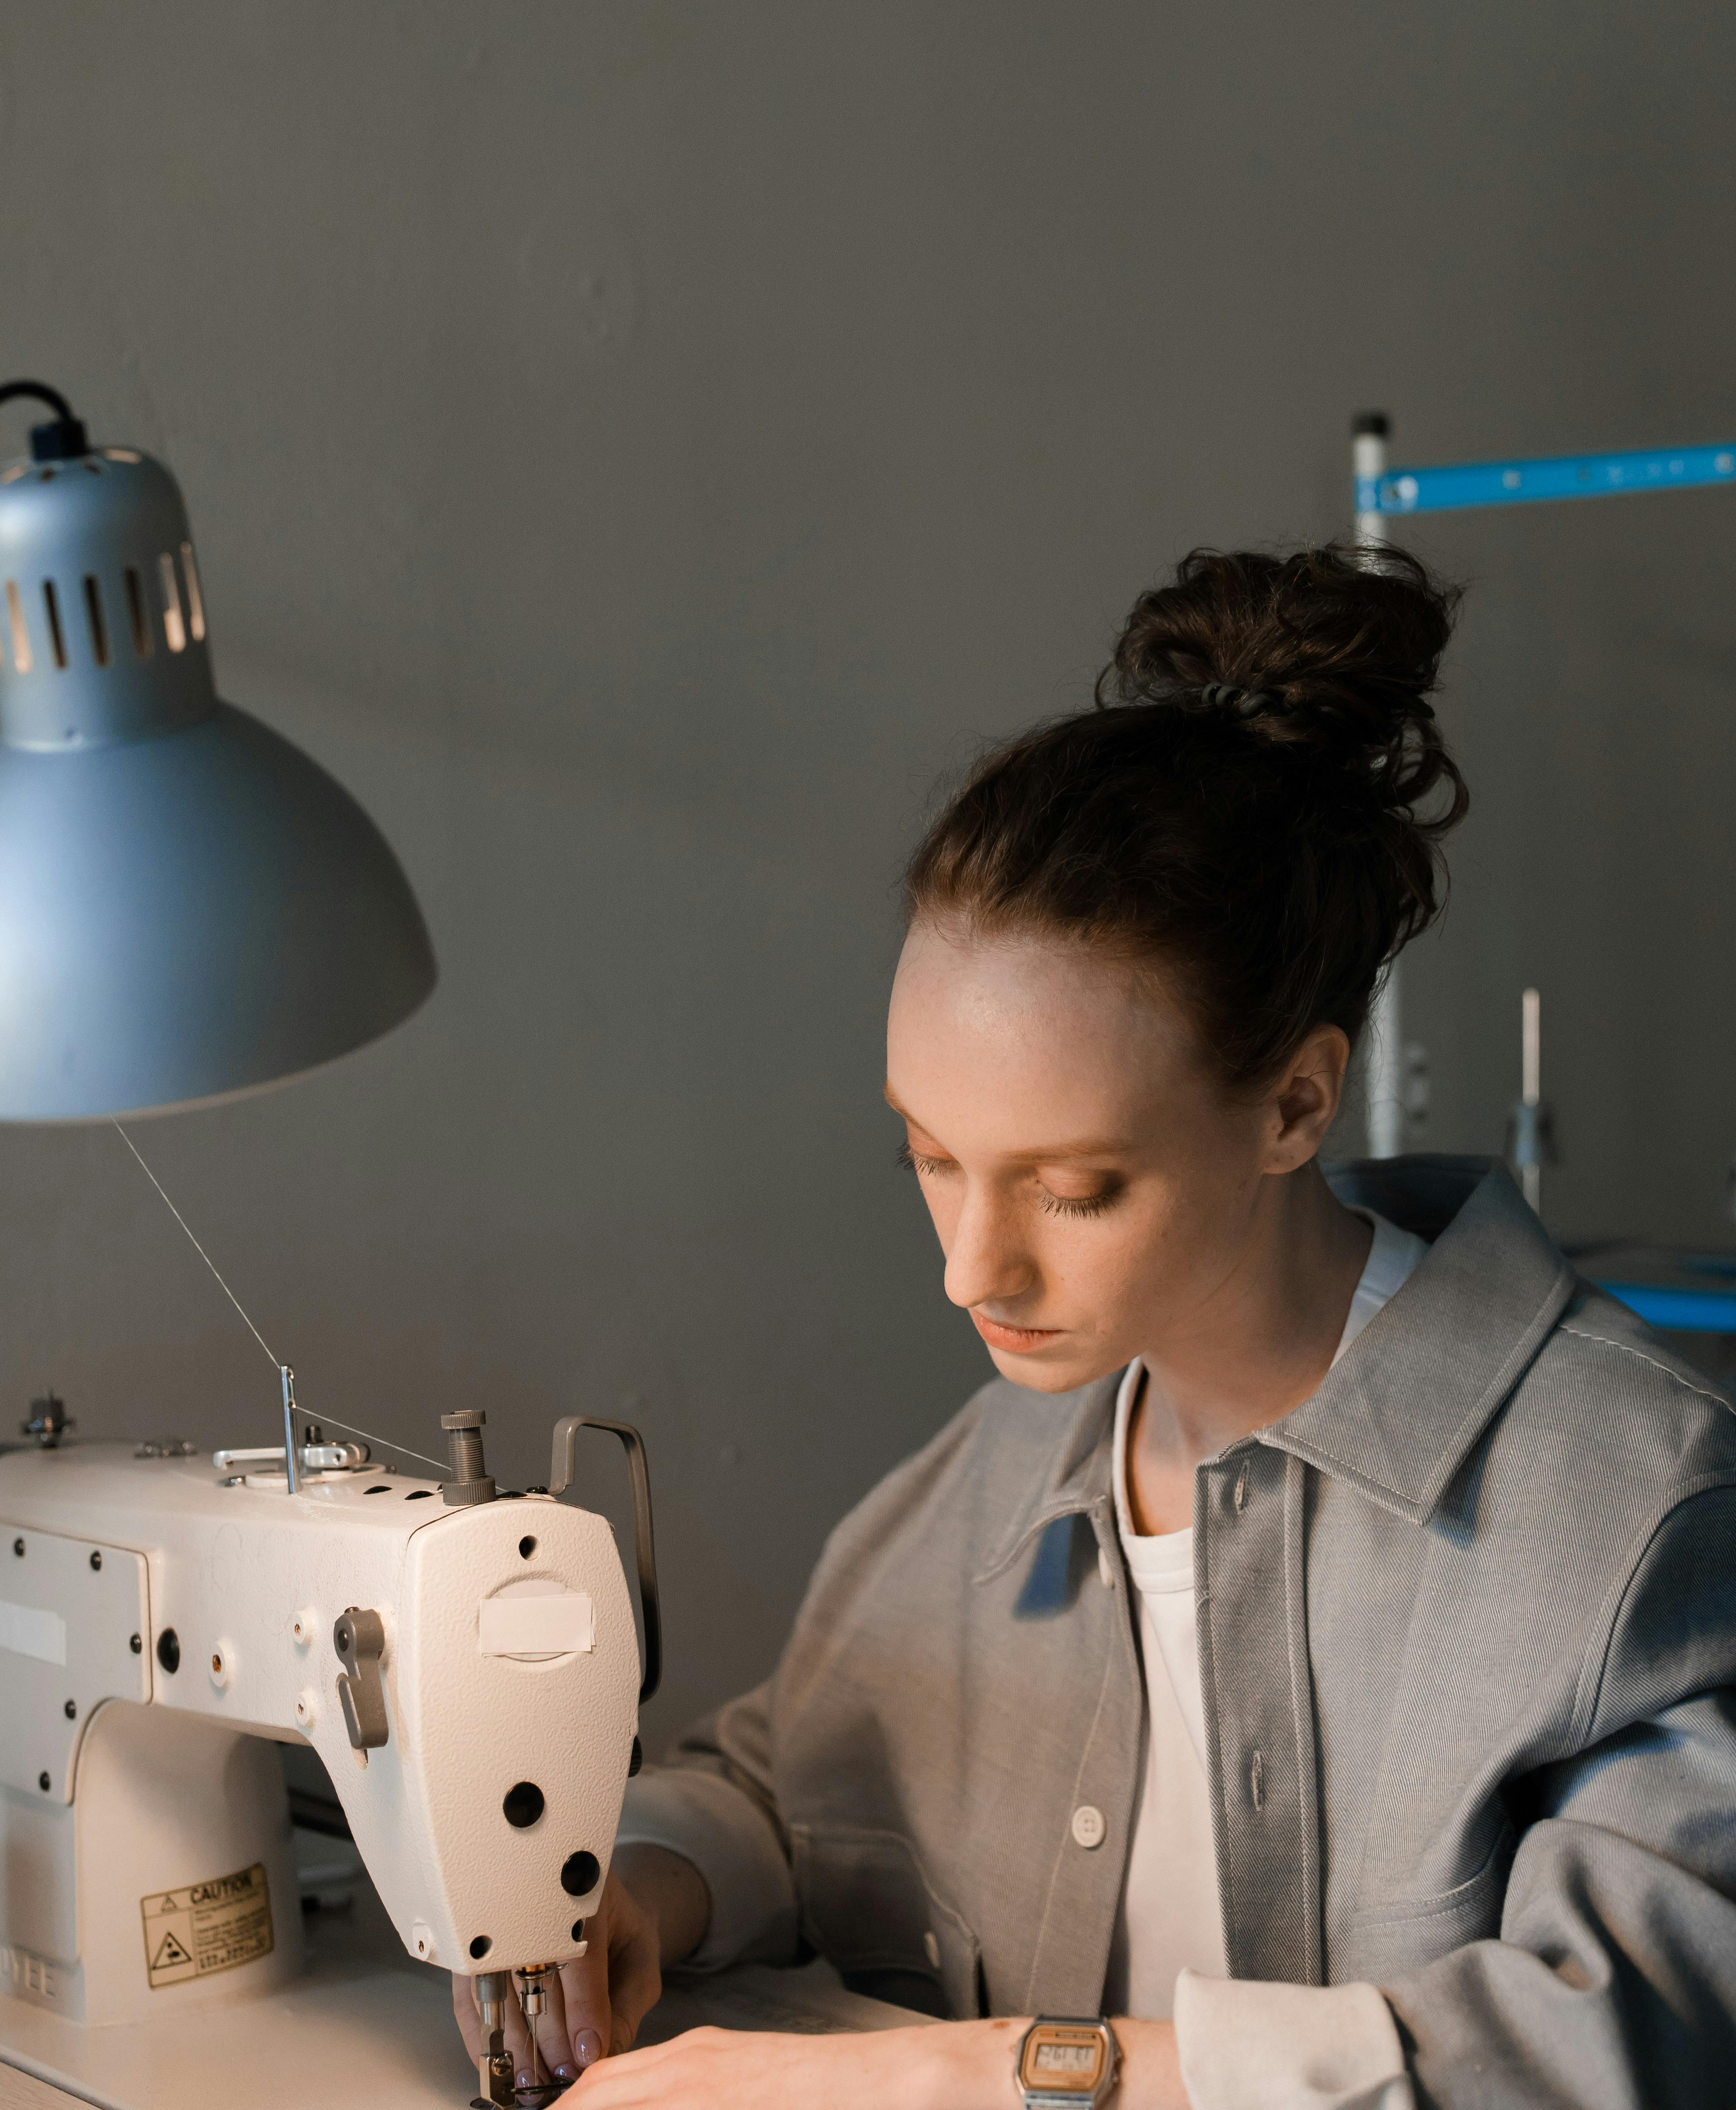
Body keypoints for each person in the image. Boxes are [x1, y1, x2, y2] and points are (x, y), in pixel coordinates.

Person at [456, 544, 1736, 2110]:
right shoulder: (994, 1474)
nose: (968, 1268)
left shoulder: (1635, 1514)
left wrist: (988, 2076)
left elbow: (1623, 2046)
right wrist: (639, 1890)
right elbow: (788, 1790)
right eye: (930, 1157)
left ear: (1293, 1100)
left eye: (1069, 1187)